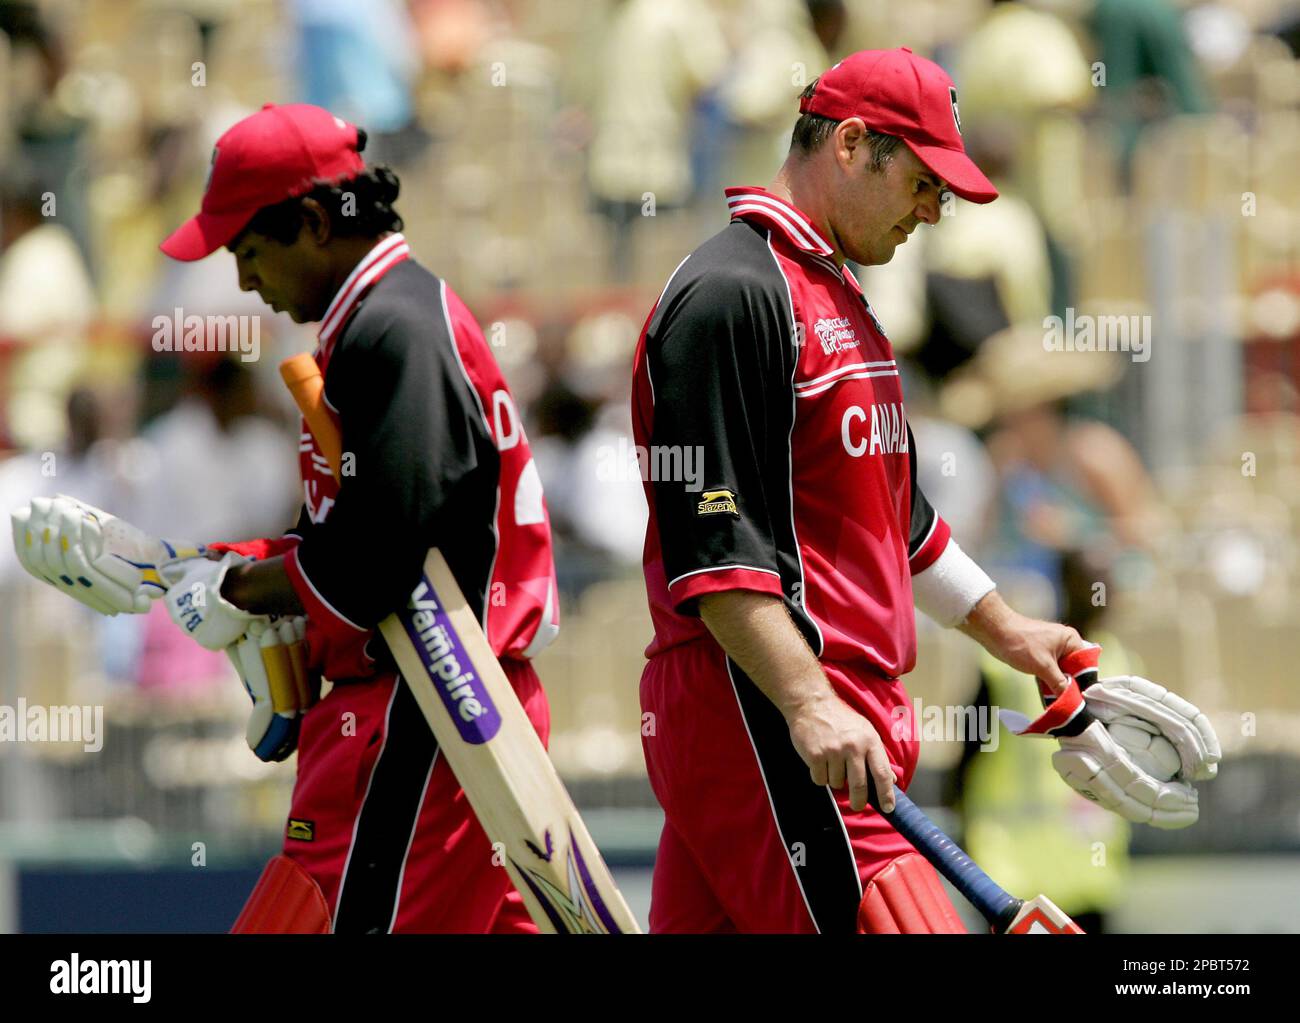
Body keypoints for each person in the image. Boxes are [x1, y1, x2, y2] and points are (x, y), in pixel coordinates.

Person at [630, 47, 1096, 933]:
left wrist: (1008, 630)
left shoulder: (841, 294)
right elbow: (716, 548)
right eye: (924, 183)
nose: (934, 212)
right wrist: (808, 701)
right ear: (850, 144)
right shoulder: (733, 291)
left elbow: (898, 519)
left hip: (821, 716)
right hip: (773, 710)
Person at [157, 103, 560, 932]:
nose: (242, 281)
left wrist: (240, 586)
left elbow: (380, 557)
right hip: (443, 705)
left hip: (432, 701)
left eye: (247, 249)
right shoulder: (378, 322)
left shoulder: (395, 327)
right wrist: (225, 564)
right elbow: (358, 528)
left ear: (311, 222)